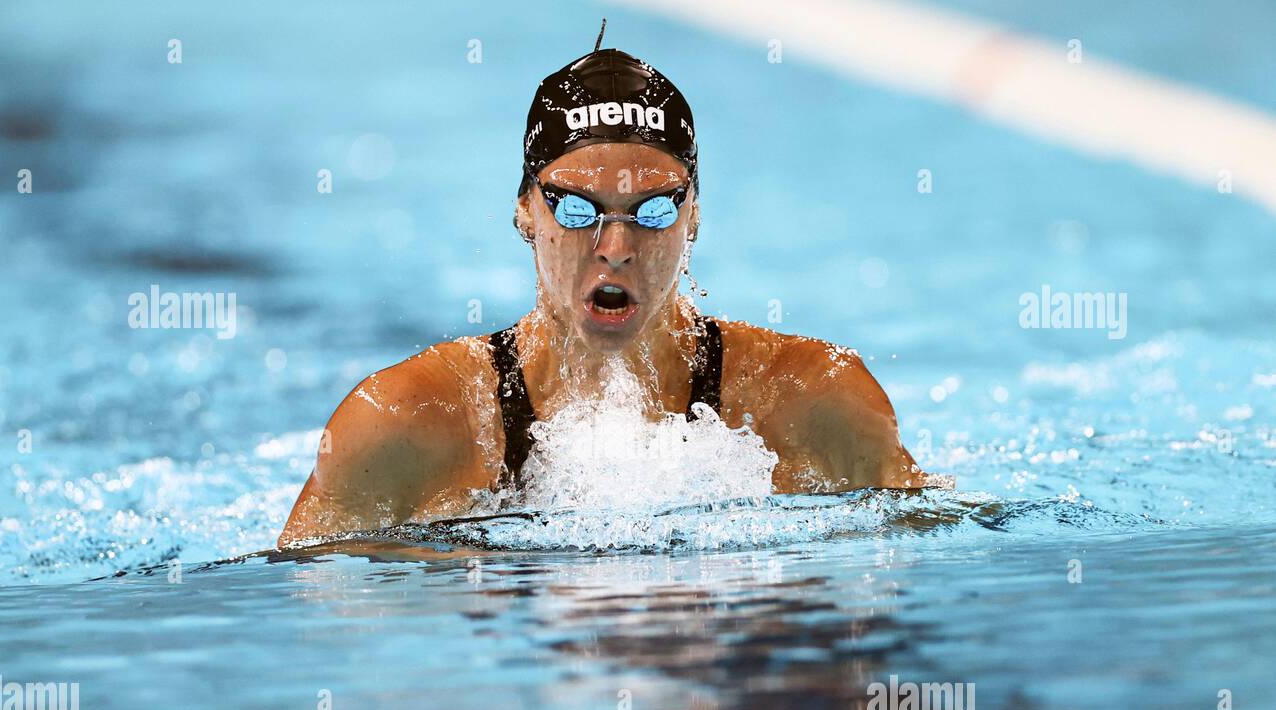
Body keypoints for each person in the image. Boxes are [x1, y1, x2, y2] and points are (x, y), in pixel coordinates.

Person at [278, 29, 929, 548]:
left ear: (694, 214)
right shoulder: (404, 423)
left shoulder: (816, 400)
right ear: (526, 211)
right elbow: (287, 623)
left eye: (652, 210)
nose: (615, 248)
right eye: (577, 209)